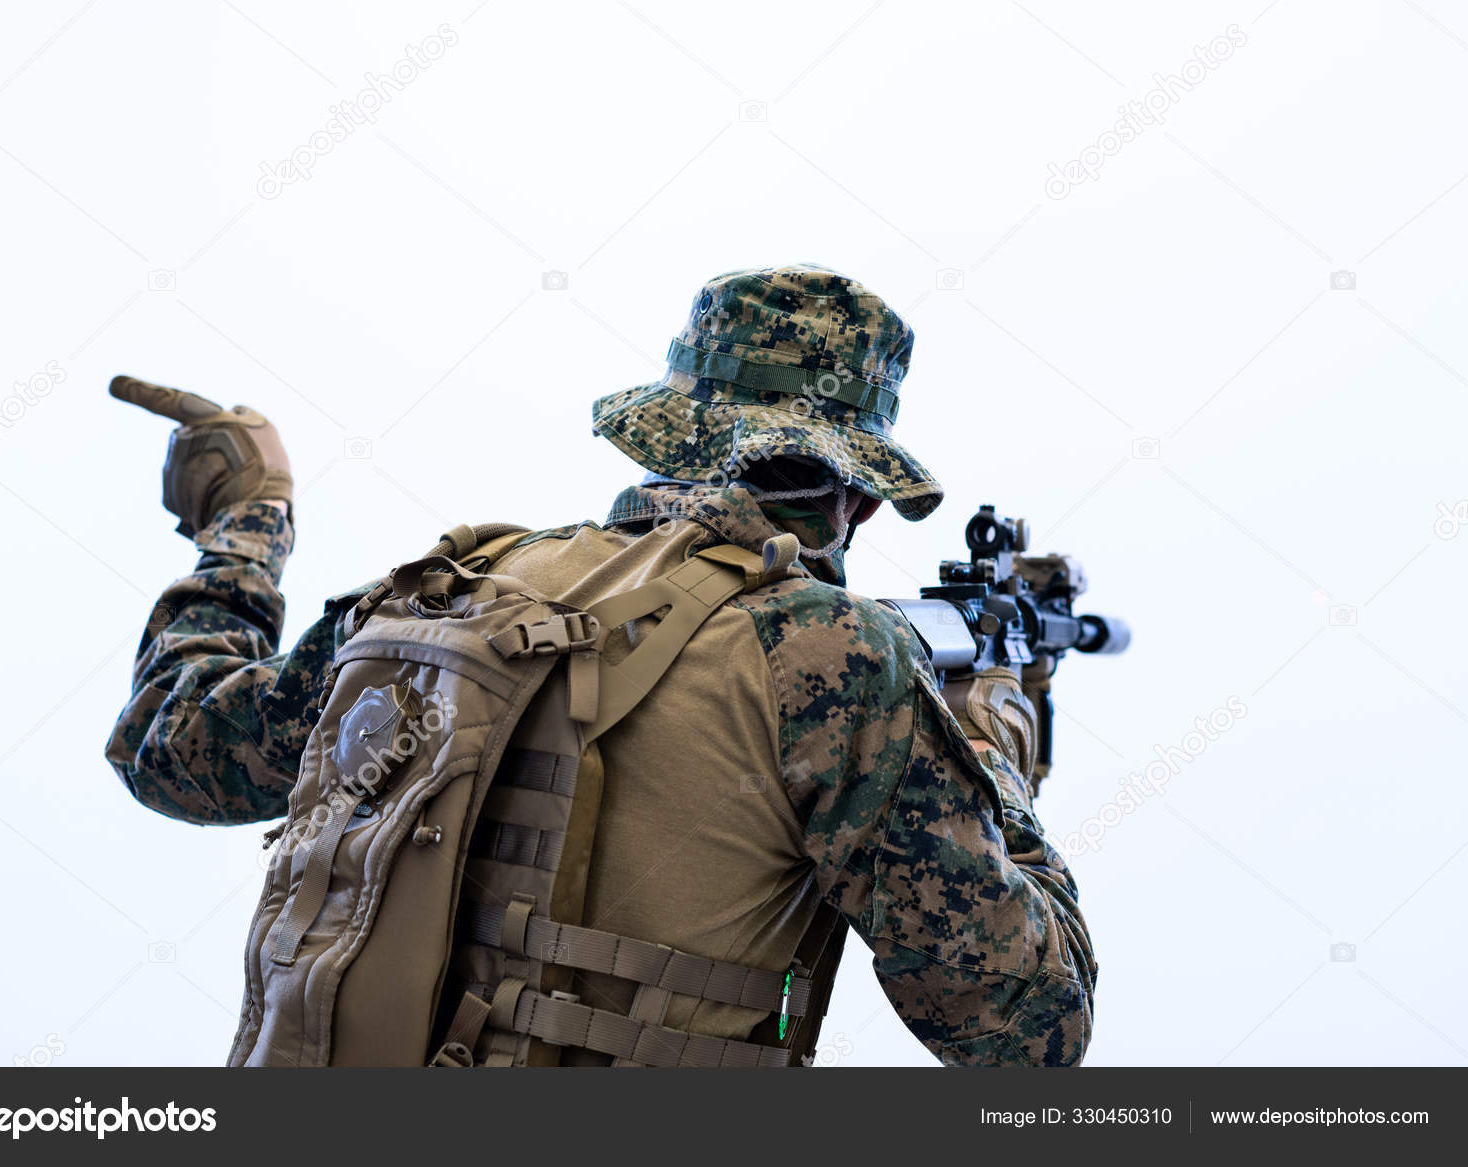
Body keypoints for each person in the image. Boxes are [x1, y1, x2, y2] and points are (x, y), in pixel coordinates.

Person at [107, 263, 1096, 1065]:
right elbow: (1022, 1030)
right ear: (860, 497)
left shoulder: (450, 585)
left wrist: (247, 527)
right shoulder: (830, 659)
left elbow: (173, 748)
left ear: (665, 438)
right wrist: (983, 747)